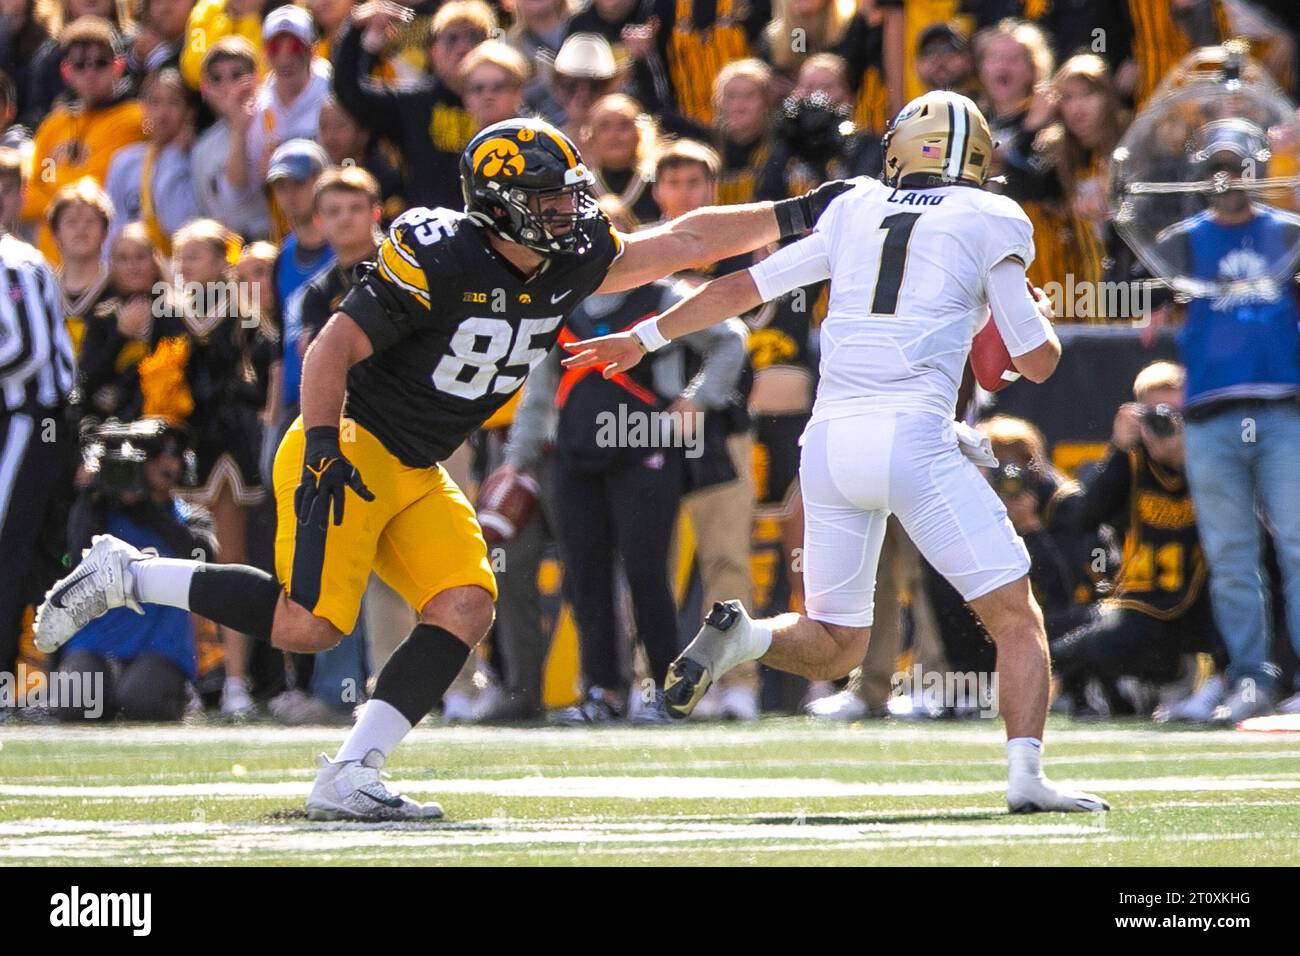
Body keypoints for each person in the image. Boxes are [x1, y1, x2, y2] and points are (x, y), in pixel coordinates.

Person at [36, 116, 848, 819]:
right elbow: (333, 346)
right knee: (309, 623)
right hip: (351, 443)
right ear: (500, 209)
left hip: (418, 463)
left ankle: (354, 772)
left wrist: (802, 210)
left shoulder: (574, 256)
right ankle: (129, 575)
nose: (572, 210)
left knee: (464, 604)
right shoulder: (440, 253)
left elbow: (690, 240)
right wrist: (319, 446)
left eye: (571, 193)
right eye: (551, 199)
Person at [563, 92, 1109, 813]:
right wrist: (1038, 321)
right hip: (915, 440)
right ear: (977, 158)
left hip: (827, 446)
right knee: (1016, 618)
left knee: (835, 642)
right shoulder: (992, 216)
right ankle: (1026, 779)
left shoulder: (854, 206)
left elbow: (741, 286)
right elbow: (1035, 362)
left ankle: (748, 636)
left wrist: (646, 337)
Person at [1153, 118, 1300, 721]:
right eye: (1216, 164)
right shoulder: (1180, 239)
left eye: (1237, 165)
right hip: (1211, 412)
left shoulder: (1290, 233)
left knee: (1297, 546)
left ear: (1256, 171)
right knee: (1231, 555)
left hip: (1281, 407)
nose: (1227, 176)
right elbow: (1151, 309)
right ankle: (1249, 678)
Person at [1052, 362, 1227, 721]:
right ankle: (1162, 678)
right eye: (1153, 413)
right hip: (1148, 599)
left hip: (1207, 591)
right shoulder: (1131, 461)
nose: (1165, 422)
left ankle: (1224, 681)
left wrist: (1185, 458)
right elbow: (1086, 517)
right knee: (1085, 647)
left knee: (1236, 588)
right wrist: (1118, 448)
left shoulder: (1214, 453)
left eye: (1175, 412)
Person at [54, 420, 215, 722]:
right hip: (96, 639)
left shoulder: (189, 517)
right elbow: (76, 557)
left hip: (160, 646)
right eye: (158, 453)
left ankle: (183, 692)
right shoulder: (101, 512)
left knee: (141, 703)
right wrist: (89, 496)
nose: (168, 463)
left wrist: (144, 507)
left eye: (176, 454)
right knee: (76, 701)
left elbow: (201, 555)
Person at [0, 224, 76, 695]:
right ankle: (29, 680)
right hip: (27, 420)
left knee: (10, 547)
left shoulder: (13, 263)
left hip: (27, 418)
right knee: (30, 552)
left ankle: (12, 677)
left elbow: (28, 346)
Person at [331, 0, 491, 210]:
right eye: (451, 39)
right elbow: (350, 91)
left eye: (475, 37)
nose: (463, 47)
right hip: (431, 231)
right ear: (434, 51)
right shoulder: (413, 105)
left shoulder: (509, 102)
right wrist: (354, 28)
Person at [21, 15, 146, 262]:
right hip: (52, 260)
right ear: (66, 71)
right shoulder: (55, 124)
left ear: (118, 65)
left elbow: (99, 184)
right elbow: (32, 187)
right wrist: (58, 193)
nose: (90, 73)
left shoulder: (134, 119)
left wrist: (55, 194)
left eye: (100, 63)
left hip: (105, 260)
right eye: (80, 65)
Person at [103, 66, 198, 253]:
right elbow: (113, 227)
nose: (162, 113)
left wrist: (174, 156)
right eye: (154, 103)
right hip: (132, 266)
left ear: (189, 112)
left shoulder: (196, 159)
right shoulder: (125, 161)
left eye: (173, 103)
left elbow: (175, 222)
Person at [193, 36, 271, 240]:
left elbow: (239, 191)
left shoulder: (271, 123)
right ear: (204, 89)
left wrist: (240, 128)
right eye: (216, 78)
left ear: (257, 79)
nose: (227, 86)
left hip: (272, 239)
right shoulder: (202, 148)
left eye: (237, 75)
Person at [47, 177, 113, 359]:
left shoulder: (120, 286)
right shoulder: (43, 288)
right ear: (55, 233)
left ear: (105, 231)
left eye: (90, 221)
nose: (81, 229)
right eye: (71, 222)